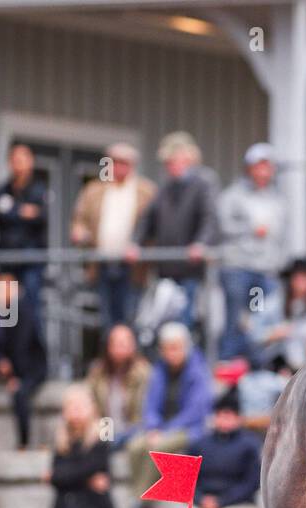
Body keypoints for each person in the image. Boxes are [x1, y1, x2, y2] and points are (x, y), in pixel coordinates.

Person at [128, 131, 218, 336]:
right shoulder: (165, 188)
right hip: (166, 271)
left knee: (184, 325)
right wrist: (135, 243)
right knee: (160, 323)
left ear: (188, 158)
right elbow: (147, 220)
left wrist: (200, 244)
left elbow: (210, 219)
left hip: (191, 271)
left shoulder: (204, 184)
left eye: (172, 161)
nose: (169, 166)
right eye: (167, 163)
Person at [128, 322, 213, 508]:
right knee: (135, 446)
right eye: (167, 348)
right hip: (161, 427)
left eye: (176, 348)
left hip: (189, 428)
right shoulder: (159, 371)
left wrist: (164, 431)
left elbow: (195, 412)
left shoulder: (198, 371)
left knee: (158, 447)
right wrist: (153, 427)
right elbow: (150, 405)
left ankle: (141, 499)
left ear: (186, 347)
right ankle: (139, 495)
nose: (171, 353)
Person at [70, 142, 156, 328]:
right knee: (105, 318)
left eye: (124, 163)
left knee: (129, 316)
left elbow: (154, 225)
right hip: (102, 262)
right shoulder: (94, 189)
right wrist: (79, 232)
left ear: (132, 166)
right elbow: (79, 219)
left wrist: (141, 247)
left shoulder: (146, 191)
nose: (119, 167)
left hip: (133, 267)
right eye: (115, 162)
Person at [217, 142, 286, 362]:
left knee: (261, 318)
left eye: (267, 167)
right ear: (249, 168)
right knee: (236, 317)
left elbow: (280, 234)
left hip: (264, 269)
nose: (263, 172)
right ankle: (228, 361)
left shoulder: (276, 199)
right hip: (238, 266)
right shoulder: (233, 195)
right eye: (259, 166)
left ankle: (258, 364)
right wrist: (251, 229)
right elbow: (223, 226)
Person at [40, 385, 114, 508]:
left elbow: (94, 465)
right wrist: (84, 478)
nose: (76, 412)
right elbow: (60, 477)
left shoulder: (103, 434)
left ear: (92, 408)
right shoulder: (61, 440)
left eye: (81, 406)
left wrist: (59, 476)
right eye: (72, 407)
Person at [0, 273, 48, 449]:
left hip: (30, 369)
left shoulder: (23, 312)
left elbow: (22, 348)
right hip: (1, 368)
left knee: (20, 394)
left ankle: (24, 443)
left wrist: (15, 377)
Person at [0, 141, 48, 331]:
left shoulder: (39, 190)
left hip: (30, 262)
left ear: (31, 161)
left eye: (22, 159)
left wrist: (12, 211)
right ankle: (0, 347)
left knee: (29, 310)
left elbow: (40, 217)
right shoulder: (3, 190)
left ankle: (31, 348)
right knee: (2, 311)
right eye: (15, 159)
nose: (18, 164)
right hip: (6, 261)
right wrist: (22, 211)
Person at [249, 257, 306, 371]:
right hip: (279, 359)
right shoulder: (275, 301)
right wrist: (272, 334)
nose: (303, 283)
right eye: (299, 278)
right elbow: (253, 331)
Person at [85, 323, 151, 449]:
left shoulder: (144, 372)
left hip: (133, 428)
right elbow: (88, 400)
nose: (120, 347)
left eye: (125, 343)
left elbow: (146, 411)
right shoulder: (97, 372)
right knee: (97, 443)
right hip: (105, 426)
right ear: (108, 346)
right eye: (116, 343)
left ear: (133, 346)